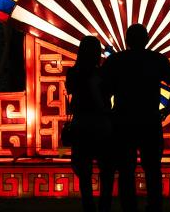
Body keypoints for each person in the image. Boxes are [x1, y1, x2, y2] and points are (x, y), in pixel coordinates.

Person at [101, 24, 170, 212]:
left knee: (125, 170)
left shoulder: (116, 60)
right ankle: (154, 206)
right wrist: (168, 108)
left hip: (123, 121)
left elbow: (102, 88)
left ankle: (129, 208)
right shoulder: (156, 59)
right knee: (153, 169)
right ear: (146, 39)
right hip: (150, 120)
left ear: (127, 40)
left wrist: (108, 111)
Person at [66, 36, 114, 212]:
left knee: (84, 170)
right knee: (106, 169)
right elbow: (108, 92)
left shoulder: (73, 73)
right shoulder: (102, 73)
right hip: (101, 123)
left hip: (81, 123)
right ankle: (104, 206)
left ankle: (88, 205)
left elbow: (70, 91)